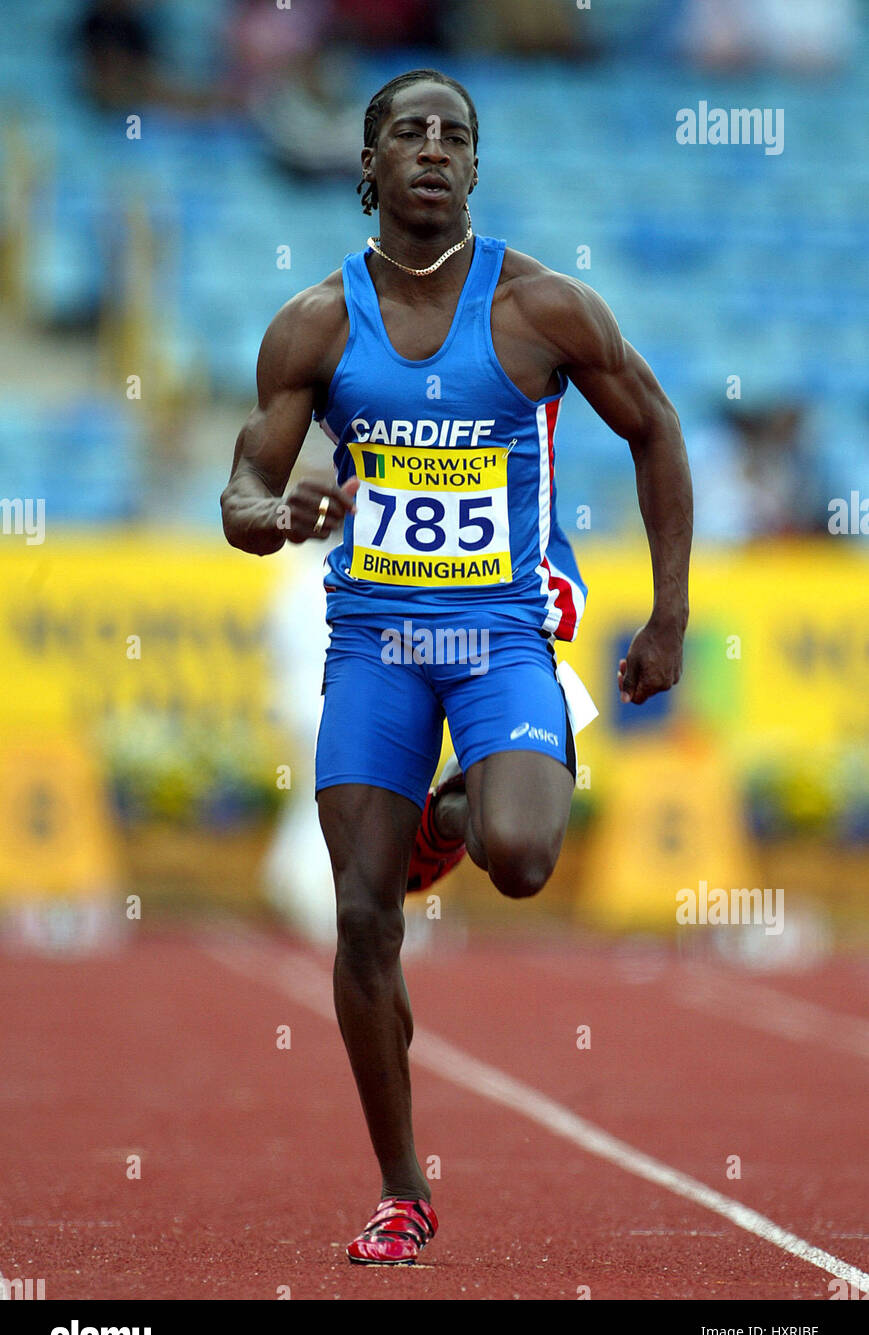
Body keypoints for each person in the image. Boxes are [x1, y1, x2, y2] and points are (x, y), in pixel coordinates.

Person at [220, 68, 693, 1266]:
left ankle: (456, 812)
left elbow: (655, 429)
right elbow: (240, 490)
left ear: (474, 169)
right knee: (364, 920)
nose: (432, 149)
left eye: (454, 135)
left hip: (497, 633)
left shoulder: (544, 309)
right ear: (365, 168)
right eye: (406, 133)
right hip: (375, 638)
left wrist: (666, 617)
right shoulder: (313, 326)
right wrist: (279, 516)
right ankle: (401, 1187)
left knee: (524, 856)